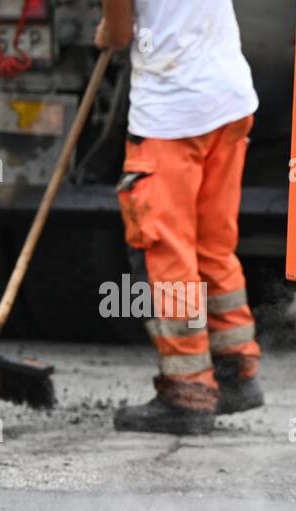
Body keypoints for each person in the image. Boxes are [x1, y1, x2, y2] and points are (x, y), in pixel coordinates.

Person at [96, 0, 263, 435]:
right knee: (213, 245)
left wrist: (104, 35)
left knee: (166, 254)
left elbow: (118, 34)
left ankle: (187, 391)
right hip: (229, 102)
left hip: (172, 117)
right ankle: (235, 371)